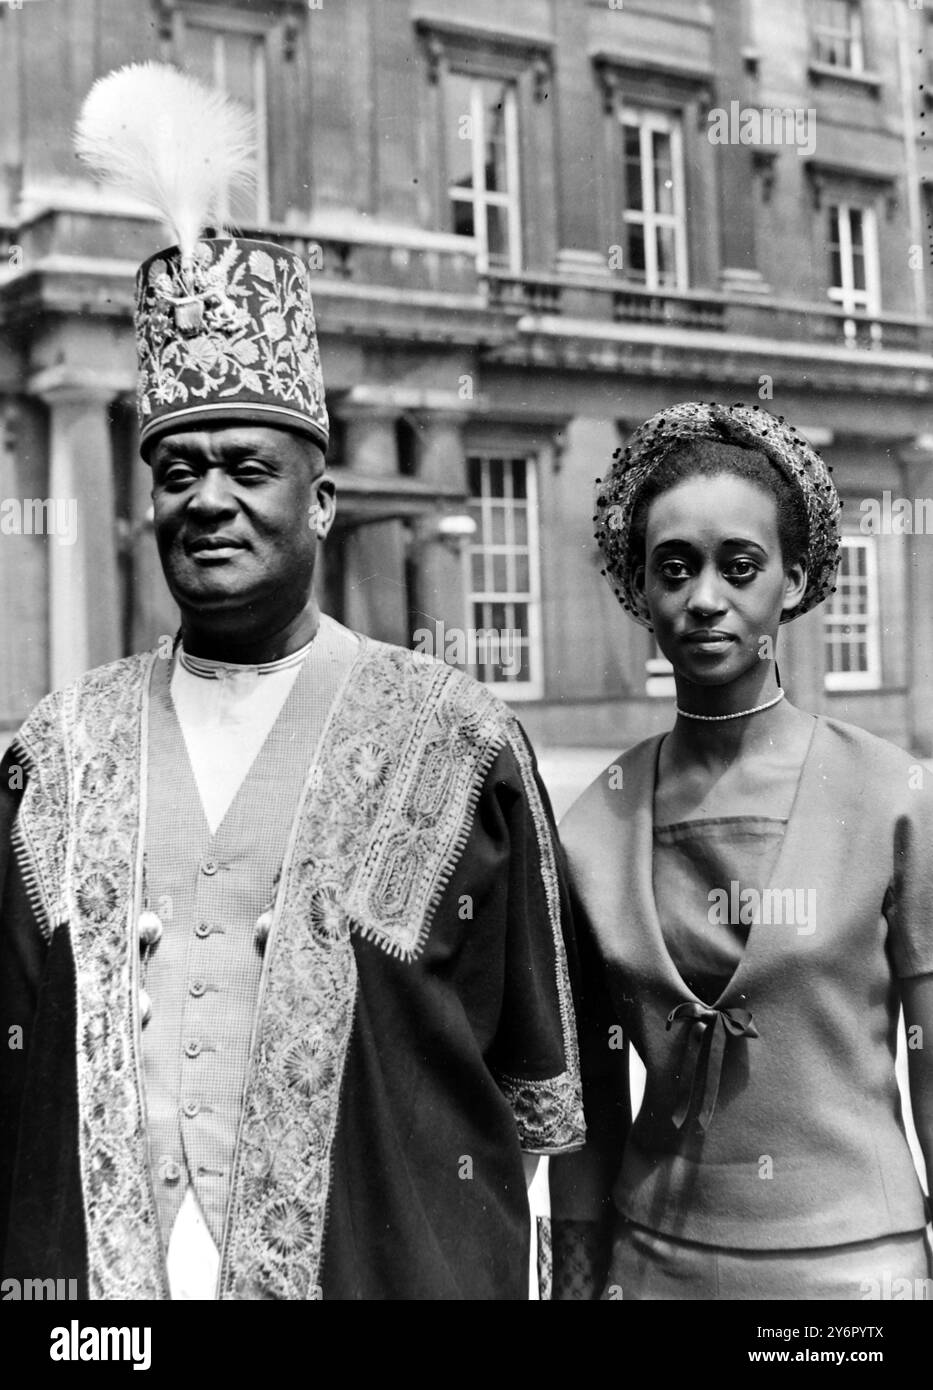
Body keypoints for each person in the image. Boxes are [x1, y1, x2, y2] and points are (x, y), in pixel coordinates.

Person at [0, 64, 584, 1302]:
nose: (208, 498)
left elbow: (538, 1082)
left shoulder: (458, 739)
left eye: (249, 468)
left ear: (321, 499)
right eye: (179, 470)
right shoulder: (56, 748)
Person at [550, 401, 933, 1300]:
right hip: (655, 1267)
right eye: (673, 569)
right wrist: (571, 1289)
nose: (704, 599)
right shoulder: (592, 822)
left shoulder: (891, 800)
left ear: (793, 582)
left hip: (851, 1279)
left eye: (739, 565)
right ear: (638, 590)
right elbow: (585, 1111)